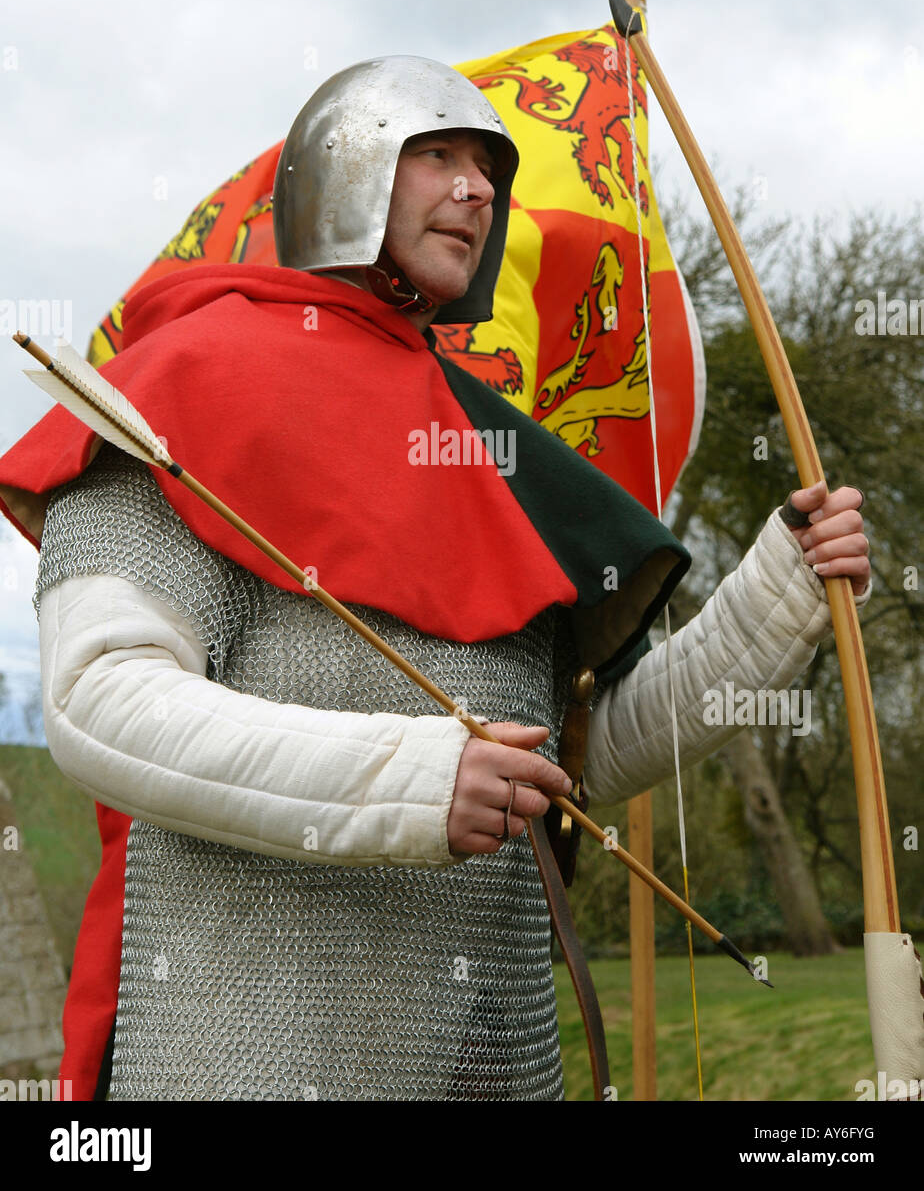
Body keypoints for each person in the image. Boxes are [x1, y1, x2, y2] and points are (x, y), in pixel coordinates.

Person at [0, 56, 870, 1102]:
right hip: (241, 1064)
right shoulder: (190, 381)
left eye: (488, 167)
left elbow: (570, 766)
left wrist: (780, 590)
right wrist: (411, 779)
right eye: (439, 156)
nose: (479, 188)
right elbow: (104, 702)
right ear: (344, 172)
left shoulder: (488, 447)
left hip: (476, 1063)